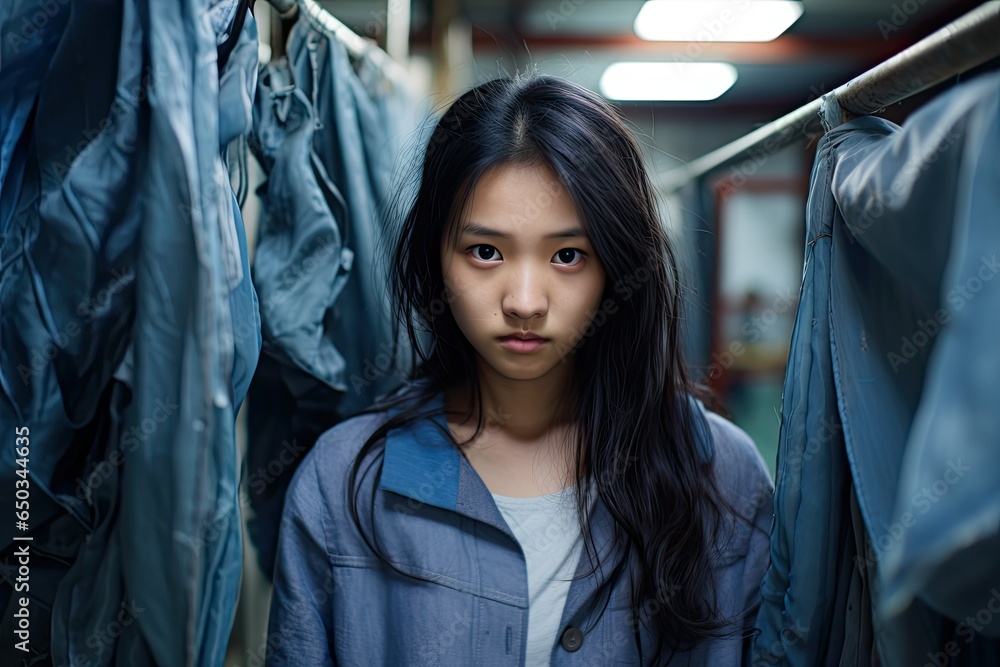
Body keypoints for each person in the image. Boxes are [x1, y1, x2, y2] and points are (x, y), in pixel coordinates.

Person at [265, 74, 773, 666]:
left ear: (617, 265)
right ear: (435, 258)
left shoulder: (723, 476)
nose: (525, 302)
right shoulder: (342, 483)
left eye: (567, 255)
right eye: (486, 252)